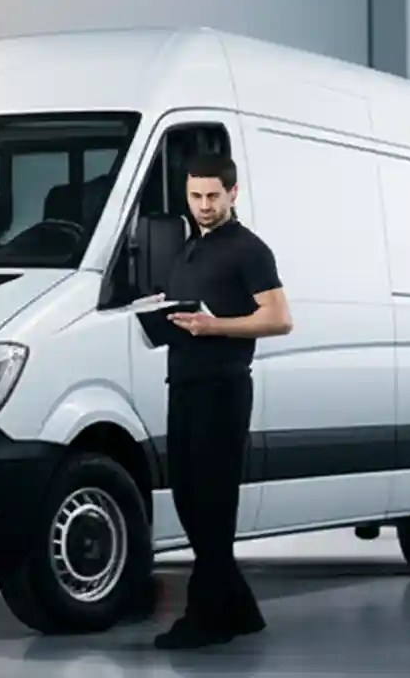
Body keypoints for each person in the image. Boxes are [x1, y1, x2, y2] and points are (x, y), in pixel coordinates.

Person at [153, 152, 293, 650]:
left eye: (213, 196)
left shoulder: (249, 250)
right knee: (190, 498)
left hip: (223, 389)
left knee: (212, 502)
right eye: (196, 196)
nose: (204, 205)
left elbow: (279, 318)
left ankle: (206, 618)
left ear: (234, 194)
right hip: (184, 385)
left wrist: (216, 327)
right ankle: (239, 609)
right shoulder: (189, 250)